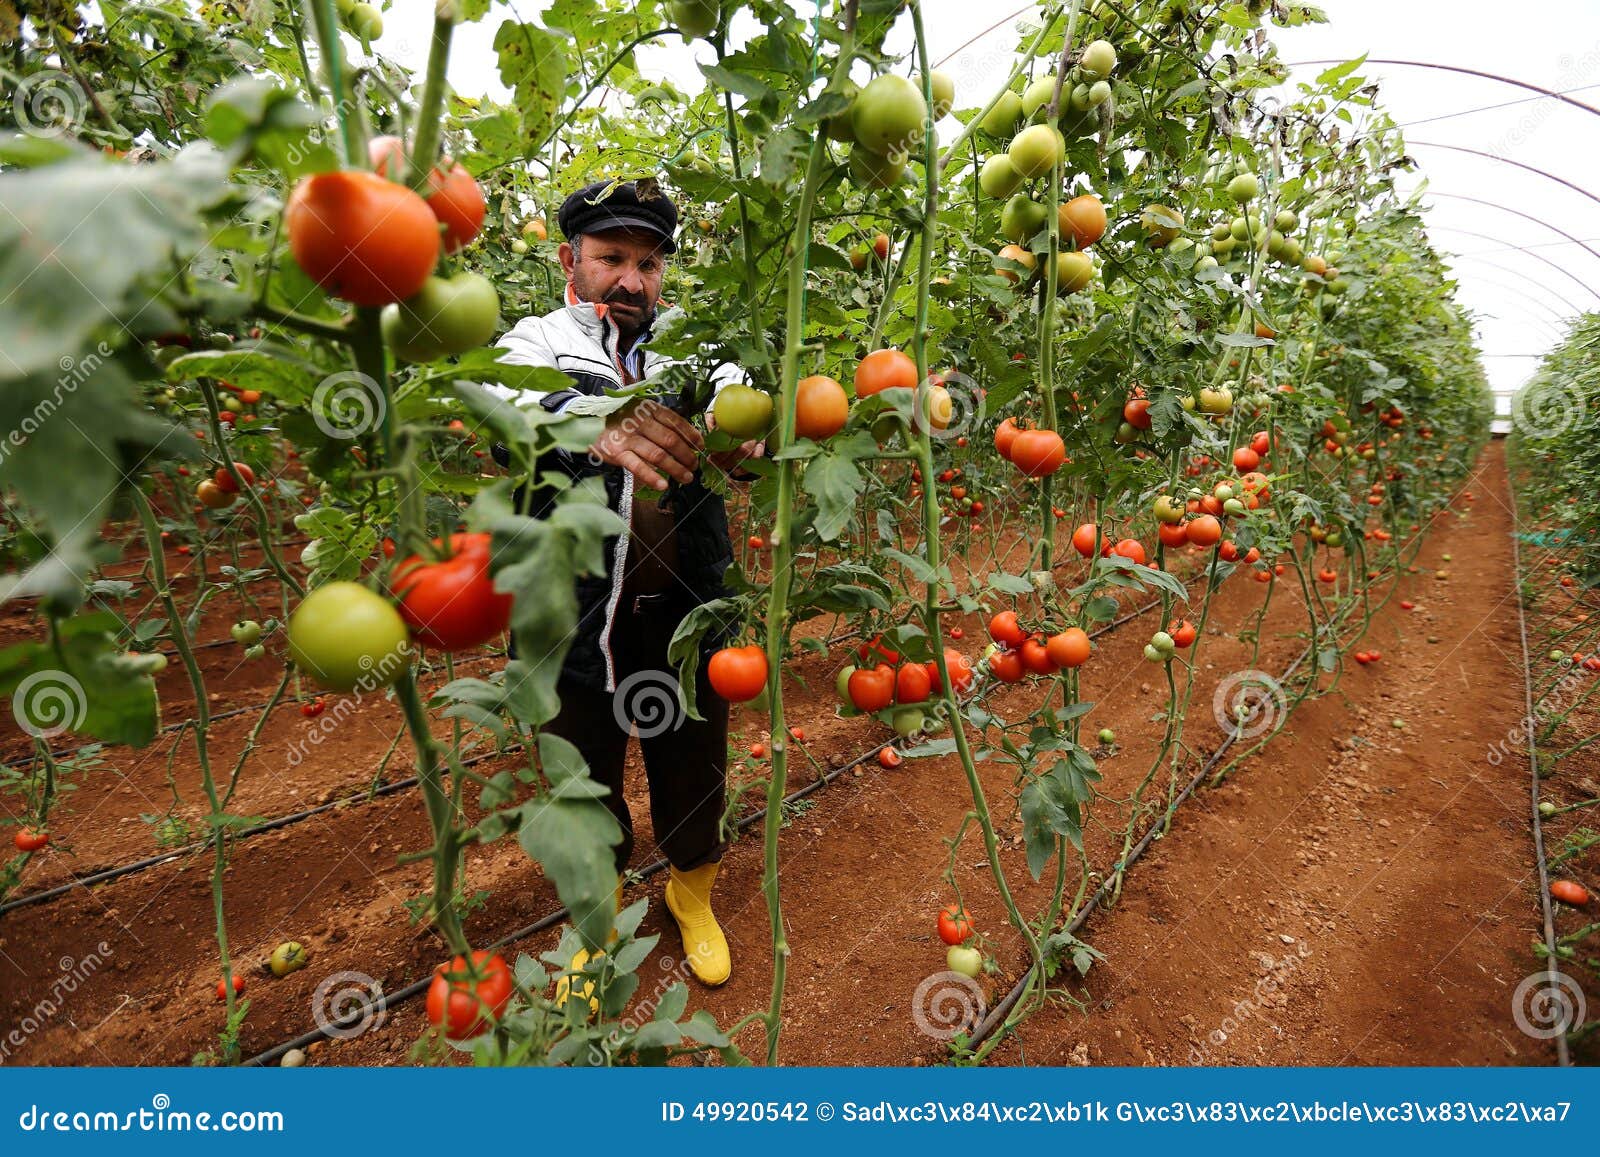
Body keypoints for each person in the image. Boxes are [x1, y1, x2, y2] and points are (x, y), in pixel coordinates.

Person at [488, 179, 762, 997]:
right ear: (571, 258)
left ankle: (691, 894)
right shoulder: (533, 339)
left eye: (648, 262)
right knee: (583, 779)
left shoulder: (692, 343)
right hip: (568, 617)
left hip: (685, 612)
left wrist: (735, 423)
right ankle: (598, 919)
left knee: (694, 768)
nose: (631, 280)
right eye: (611, 258)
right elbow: (502, 401)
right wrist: (593, 421)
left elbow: (732, 386)